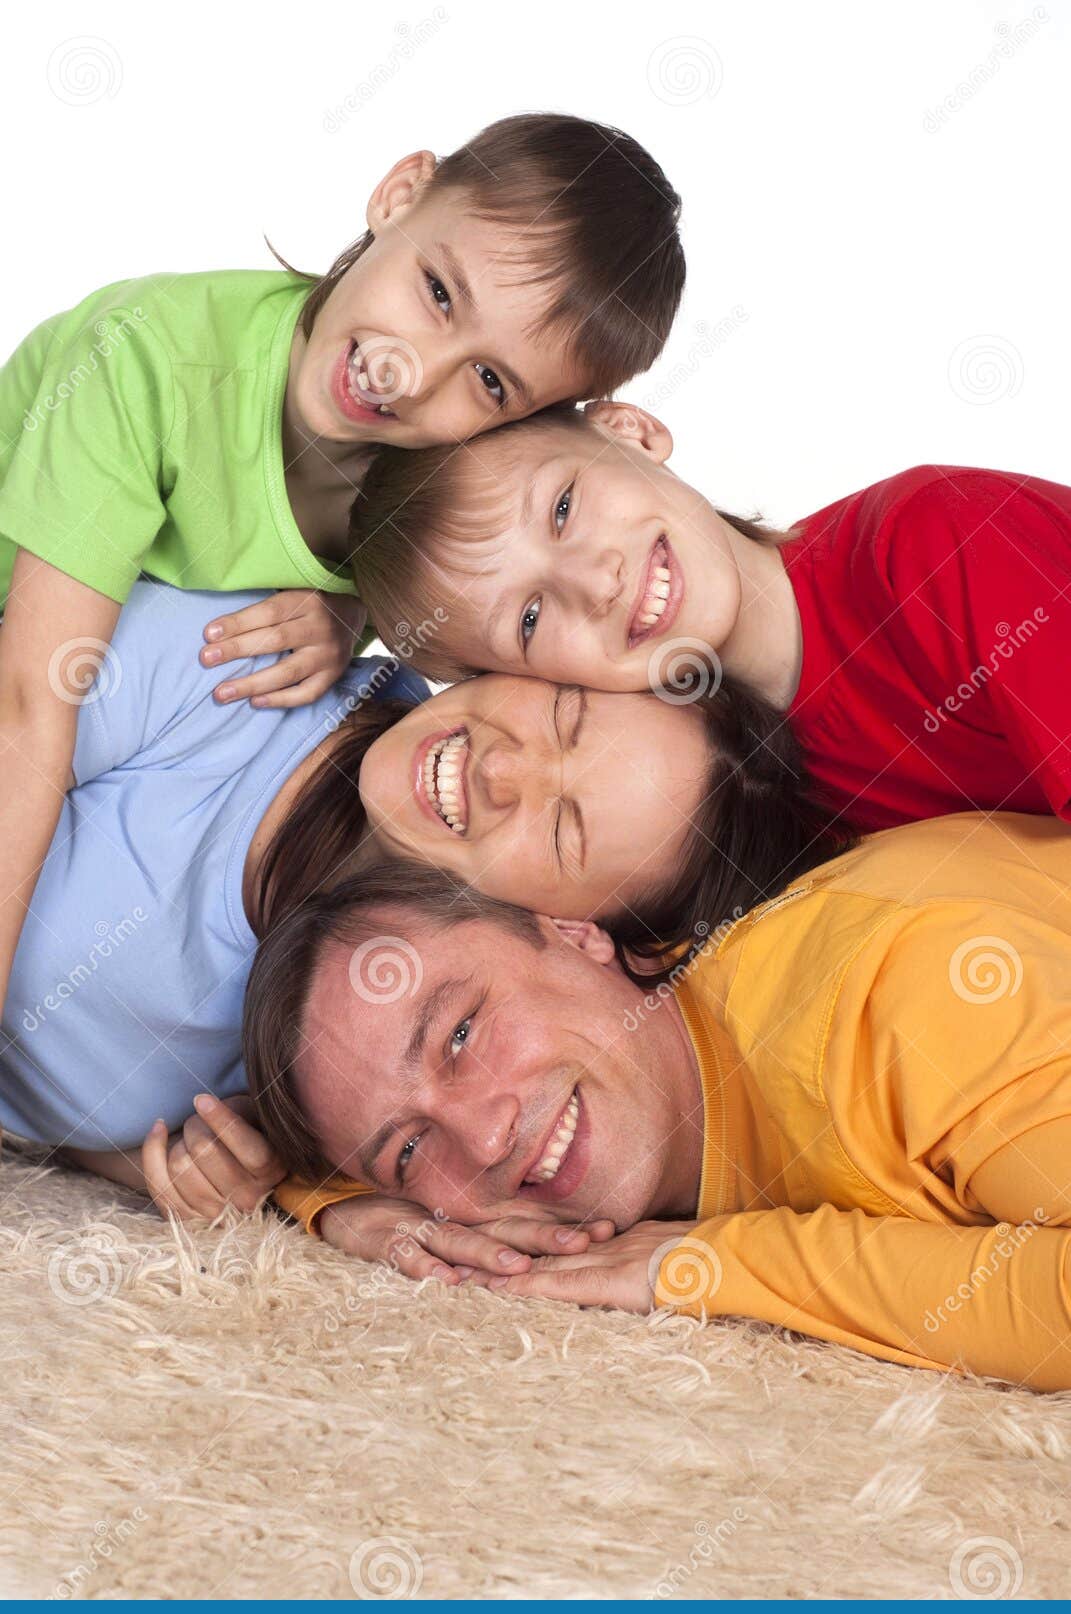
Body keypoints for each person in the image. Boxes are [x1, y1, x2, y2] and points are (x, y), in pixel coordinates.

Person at [0, 115, 686, 1032]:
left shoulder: (431, 506)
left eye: (489, 382)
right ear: (401, 193)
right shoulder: (151, 359)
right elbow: (31, 703)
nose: (410, 373)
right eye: (438, 292)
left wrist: (359, 604)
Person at [4, 581, 837, 1279]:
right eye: (565, 713)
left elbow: (62, 1125)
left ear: (576, 925)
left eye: (565, 831)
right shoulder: (242, 661)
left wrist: (275, 1196)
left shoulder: (360, 1054)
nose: (502, 769)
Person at [244, 817, 1071, 1394]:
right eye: (411, 1151)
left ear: (573, 932)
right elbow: (302, 1153)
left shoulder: (909, 996)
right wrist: (345, 1212)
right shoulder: (662, 1051)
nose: (485, 1137)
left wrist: (712, 1264)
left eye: (460, 1035)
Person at [343, 400, 1071, 833]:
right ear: (529, 686)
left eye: (563, 508)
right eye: (529, 620)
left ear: (629, 431)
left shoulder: (934, 544)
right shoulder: (703, 806)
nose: (594, 581)